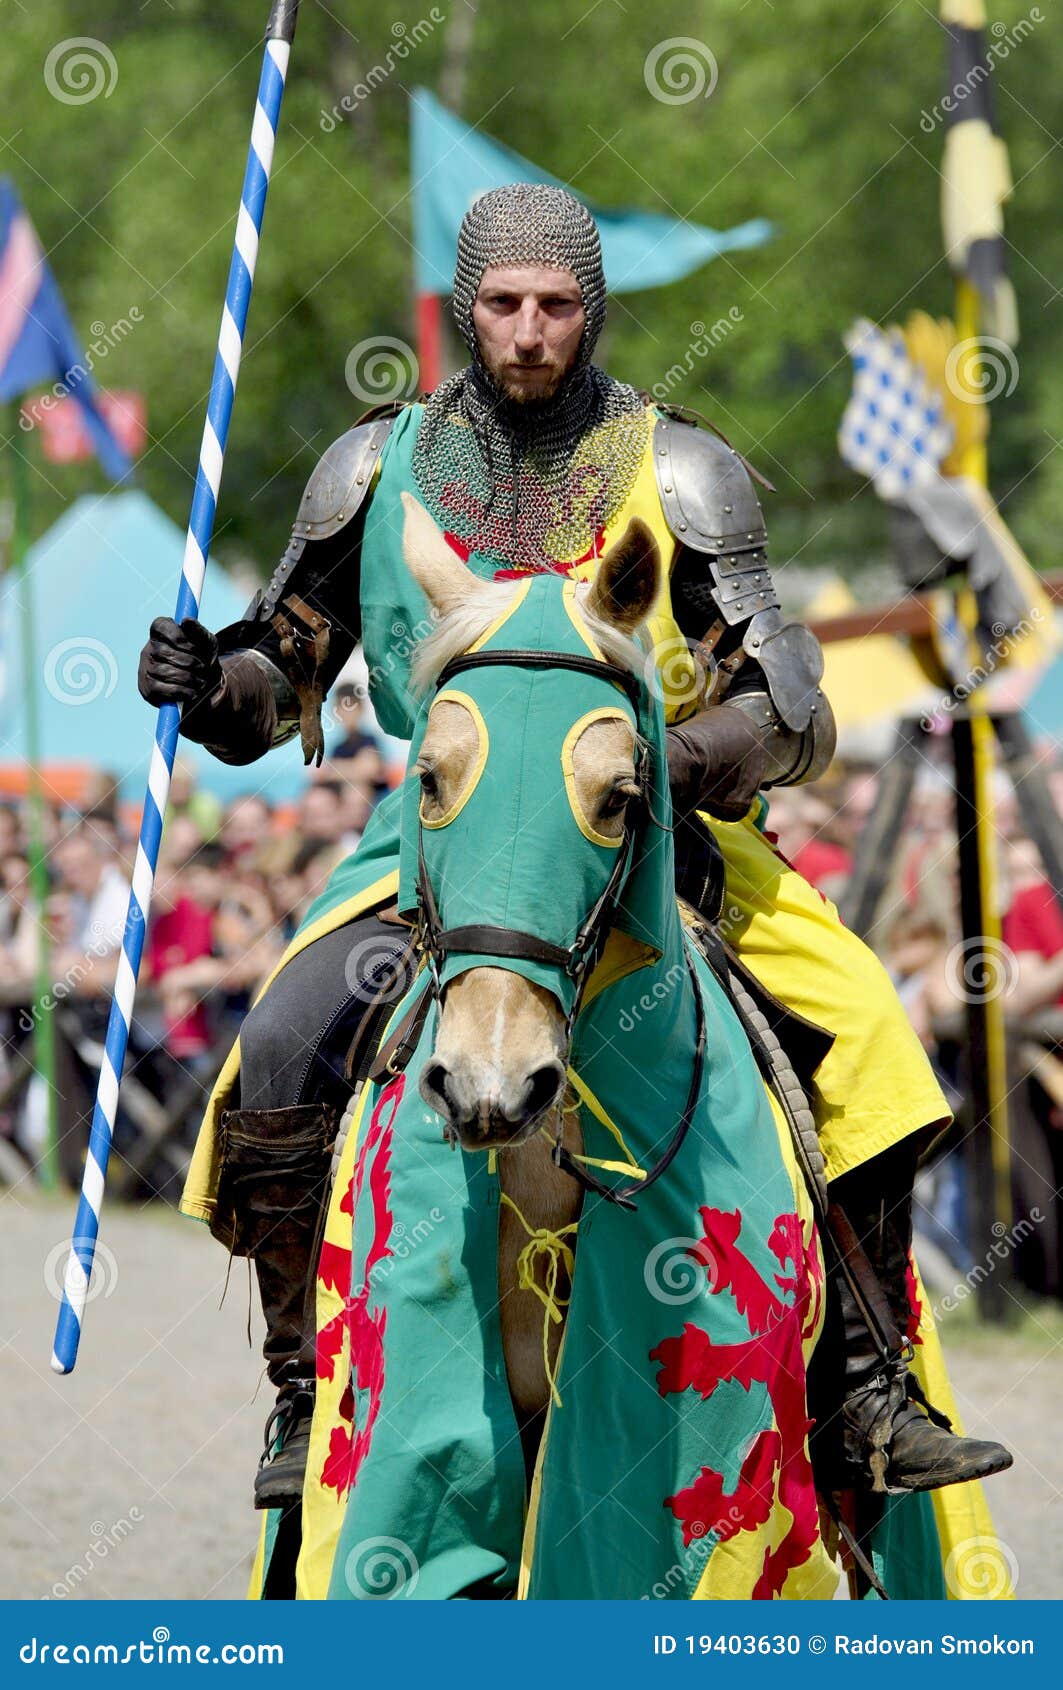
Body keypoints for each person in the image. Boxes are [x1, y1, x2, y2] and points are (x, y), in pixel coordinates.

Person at [139, 183, 1009, 1509]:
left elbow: (791, 696)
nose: (530, 331)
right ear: (464, 310)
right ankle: (303, 1379)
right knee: (278, 1037)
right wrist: (211, 682)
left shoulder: (680, 468)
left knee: (869, 1035)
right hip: (439, 844)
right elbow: (286, 666)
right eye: (504, 304)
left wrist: (700, 753)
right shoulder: (375, 469)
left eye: (556, 305)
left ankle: (858, 1386)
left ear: (592, 310)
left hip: (647, 835)